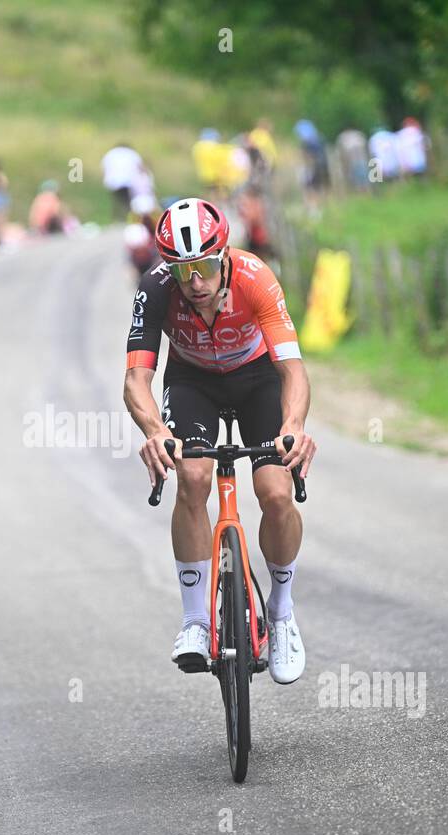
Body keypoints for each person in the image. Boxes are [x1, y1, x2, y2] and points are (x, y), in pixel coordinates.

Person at [124, 198, 316, 685]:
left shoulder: (256, 278)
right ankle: (195, 621)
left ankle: (282, 611)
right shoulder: (157, 288)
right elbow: (135, 380)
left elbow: (292, 369)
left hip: (257, 381)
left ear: (225, 256)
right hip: (194, 384)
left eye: (206, 266)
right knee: (191, 476)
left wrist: (292, 424)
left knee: (275, 492)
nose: (195, 282)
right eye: (182, 269)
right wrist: (155, 431)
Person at [101, 143, 148, 220]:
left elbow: (104, 168)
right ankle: (128, 217)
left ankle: (118, 218)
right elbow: (140, 167)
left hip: (112, 182)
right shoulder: (131, 153)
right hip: (128, 181)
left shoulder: (111, 153)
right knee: (127, 201)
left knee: (117, 201)